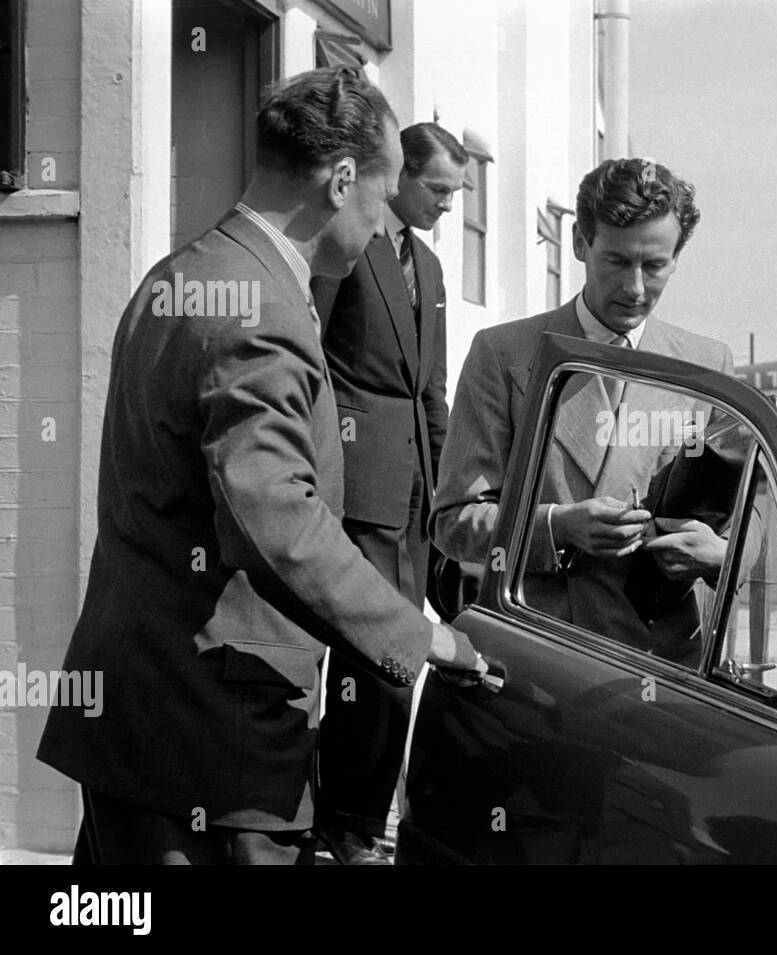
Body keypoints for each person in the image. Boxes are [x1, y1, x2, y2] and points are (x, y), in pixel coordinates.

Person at [37, 67, 484, 866]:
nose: (383, 226)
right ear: (341, 181)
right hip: (212, 744)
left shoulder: (184, 274)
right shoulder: (262, 311)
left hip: (139, 724)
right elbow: (274, 518)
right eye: (382, 203)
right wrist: (422, 639)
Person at [433, 158, 732, 660]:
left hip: (661, 665)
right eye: (616, 262)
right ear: (579, 243)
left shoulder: (708, 365)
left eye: (654, 266)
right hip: (536, 658)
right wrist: (556, 526)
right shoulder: (503, 355)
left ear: (677, 258)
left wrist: (721, 557)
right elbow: (453, 522)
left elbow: (753, 522)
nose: (635, 288)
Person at [309, 122, 467, 864]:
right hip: (353, 481)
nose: (446, 202)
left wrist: (442, 491)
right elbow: (313, 353)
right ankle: (346, 824)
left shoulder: (430, 268)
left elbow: (429, 387)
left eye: (454, 193)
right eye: (437, 188)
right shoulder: (350, 243)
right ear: (401, 174)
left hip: (412, 497)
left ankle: (357, 819)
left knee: (393, 661)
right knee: (376, 660)